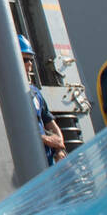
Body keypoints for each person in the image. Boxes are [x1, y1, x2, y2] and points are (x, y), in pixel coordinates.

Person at [19, 34, 66, 165]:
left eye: (30, 60)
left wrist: (59, 148)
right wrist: (46, 140)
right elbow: (15, 133)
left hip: (46, 164)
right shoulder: (5, 94)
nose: (29, 64)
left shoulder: (35, 92)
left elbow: (50, 123)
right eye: (24, 60)